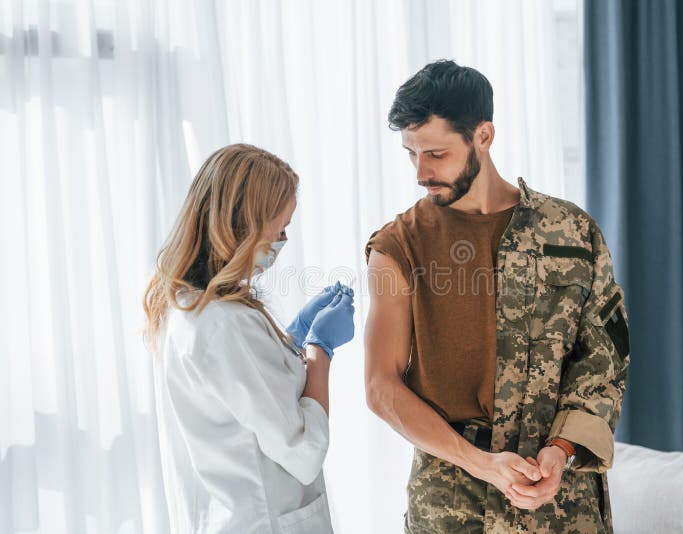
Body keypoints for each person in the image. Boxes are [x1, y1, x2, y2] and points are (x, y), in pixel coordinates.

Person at [364, 60, 630, 532]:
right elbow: (381, 389)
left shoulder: (572, 233)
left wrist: (561, 452)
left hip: (562, 504)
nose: (420, 172)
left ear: (483, 136)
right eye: (411, 153)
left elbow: (602, 361)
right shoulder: (398, 247)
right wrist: (482, 463)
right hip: (452, 506)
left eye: (436, 153)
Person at [143, 143, 355, 533]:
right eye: (281, 228)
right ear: (243, 226)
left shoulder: (190, 305)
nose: (283, 241)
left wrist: (290, 337)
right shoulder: (223, 324)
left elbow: (245, 388)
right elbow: (304, 451)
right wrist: (320, 350)